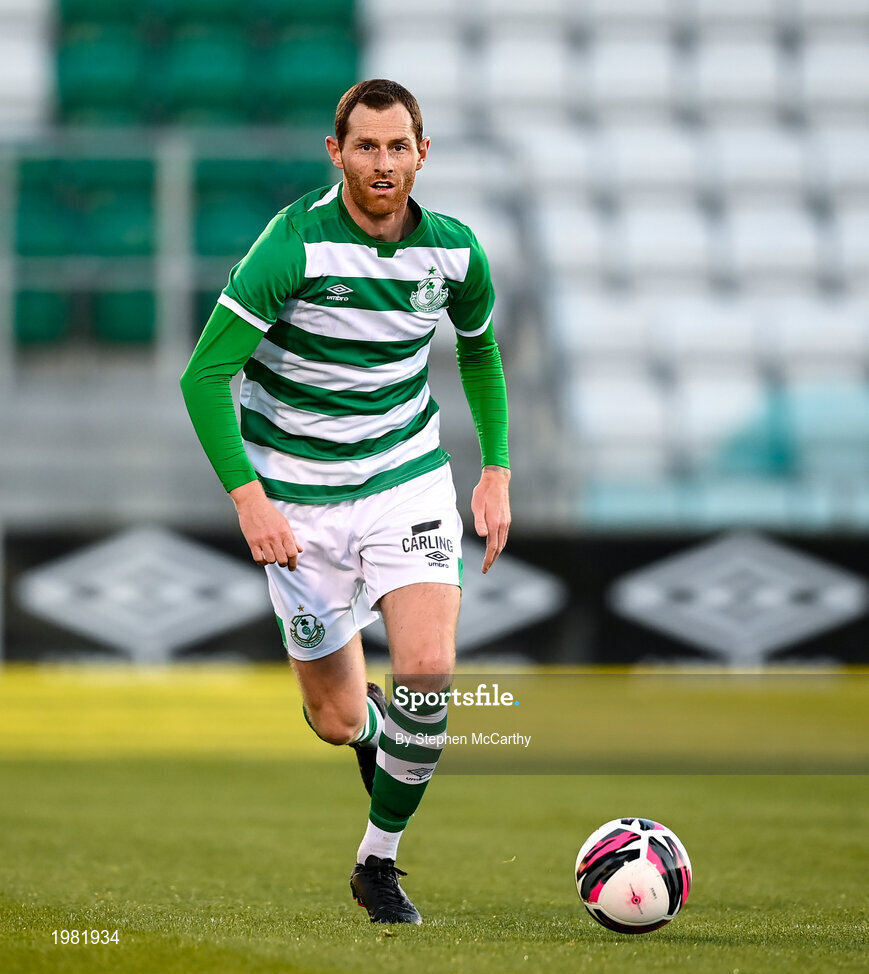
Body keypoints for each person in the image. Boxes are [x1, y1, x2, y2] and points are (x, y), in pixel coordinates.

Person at [180, 79, 511, 924]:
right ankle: (367, 735)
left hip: (405, 479)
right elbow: (204, 376)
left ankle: (378, 864)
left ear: (421, 153)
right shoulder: (290, 246)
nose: (382, 162)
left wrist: (495, 470)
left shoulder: (455, 254)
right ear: (337, 154)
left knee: (429, 679)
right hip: (296, 503)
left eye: (398, 146)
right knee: (334, 719)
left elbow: (478, 352)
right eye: (365, 146)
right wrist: (249, 498)